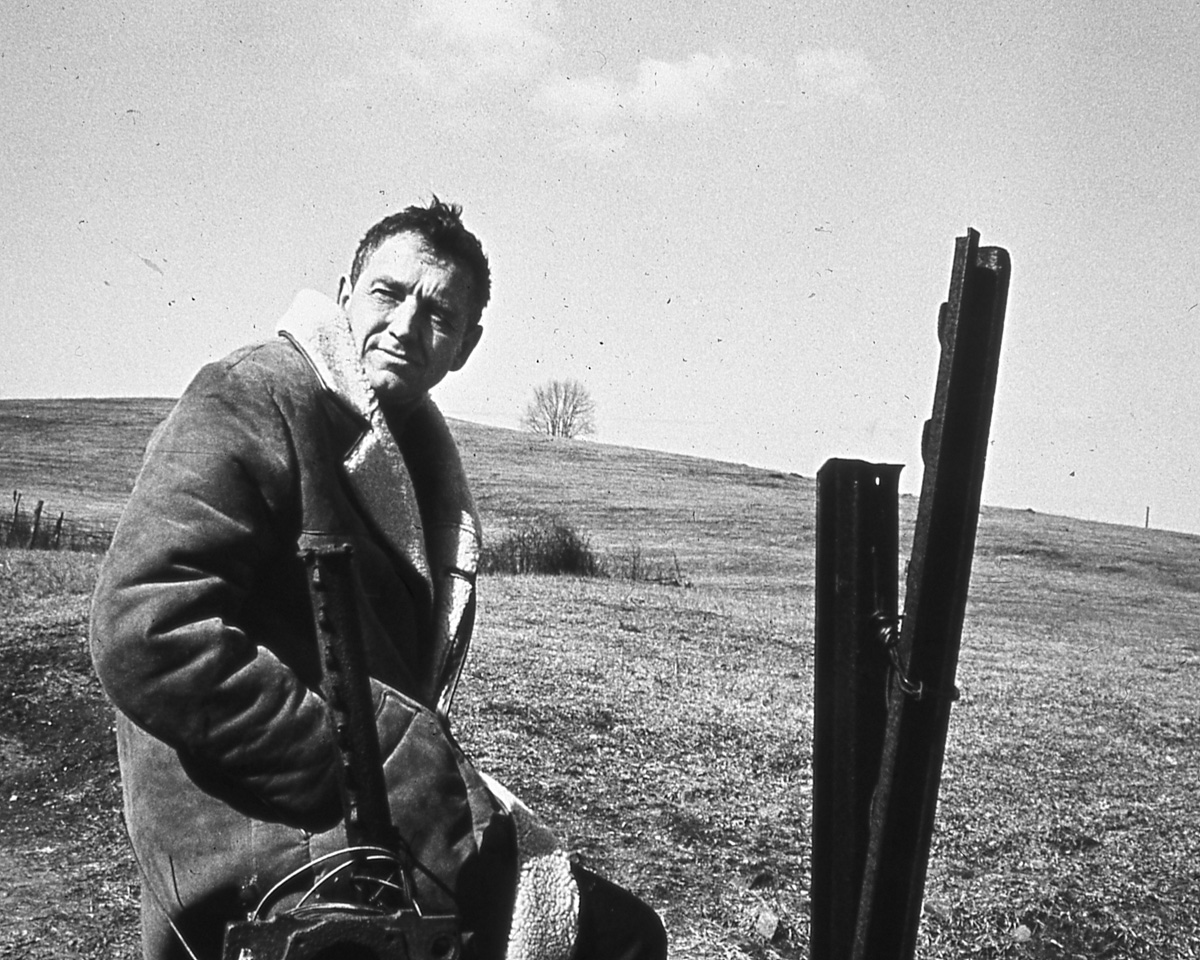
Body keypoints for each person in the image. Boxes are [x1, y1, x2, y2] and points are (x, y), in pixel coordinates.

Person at [90, 198, 667, 960]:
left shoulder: (408, 447)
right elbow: (146, 627)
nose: (404, 327)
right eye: (388, 295)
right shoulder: (256, 392)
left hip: (358, 826)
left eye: (438, 315)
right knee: (616, 943)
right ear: (344, 293)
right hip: (268, 835)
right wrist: (357, 760)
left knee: (614, 932)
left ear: (466, 346)